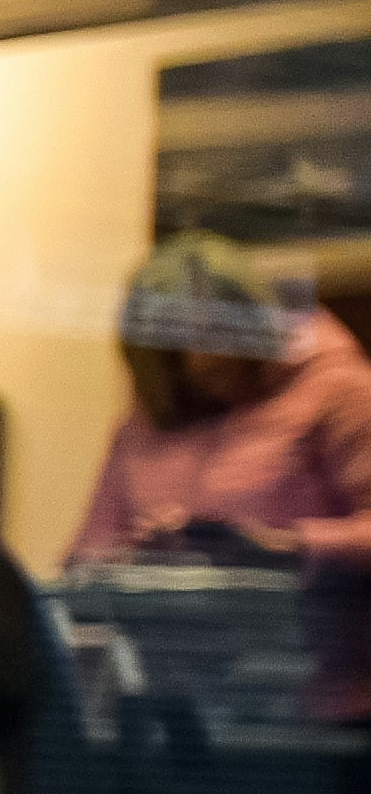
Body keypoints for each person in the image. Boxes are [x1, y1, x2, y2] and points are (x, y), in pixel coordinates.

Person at [64, 233, 371, 722]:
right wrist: (144, 556)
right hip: (183, 711)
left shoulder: (338, 388)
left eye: (216, 334)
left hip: (323, 710)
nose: (202, 359)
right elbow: (86, 560)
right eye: (177, 343)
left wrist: (288, 547)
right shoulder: (144, 425)